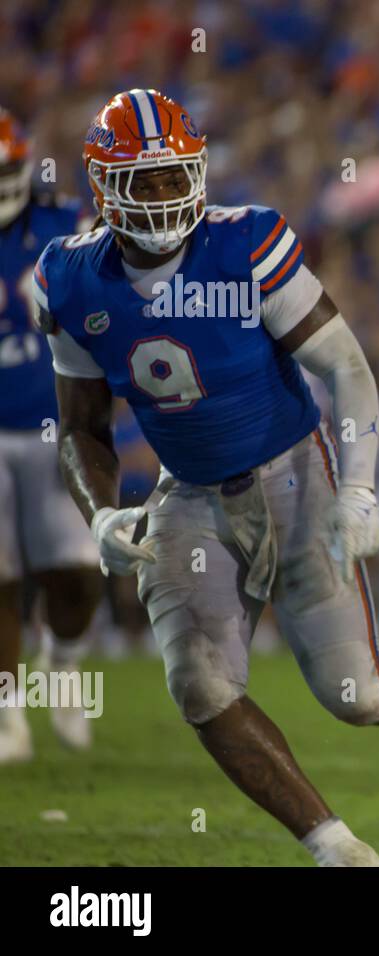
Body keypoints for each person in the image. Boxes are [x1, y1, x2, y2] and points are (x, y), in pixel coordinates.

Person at [38, 88, 379, 865]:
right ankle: (338, 850)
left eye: (175, 176)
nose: (164, 194)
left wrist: (359, 487)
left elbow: (346, 366)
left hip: (296, 474)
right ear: (103, 187)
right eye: (144, 180)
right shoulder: (70, 280)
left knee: (357, 696)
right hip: (188, 495)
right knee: (199, 686)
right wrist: (100, 513)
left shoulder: (245, 242)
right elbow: (81, 427)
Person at [0, 107, 101, 761]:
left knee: (78, 576)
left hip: (53, 425)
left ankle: (61, 663)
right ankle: (6, 712)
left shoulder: (65, 224)